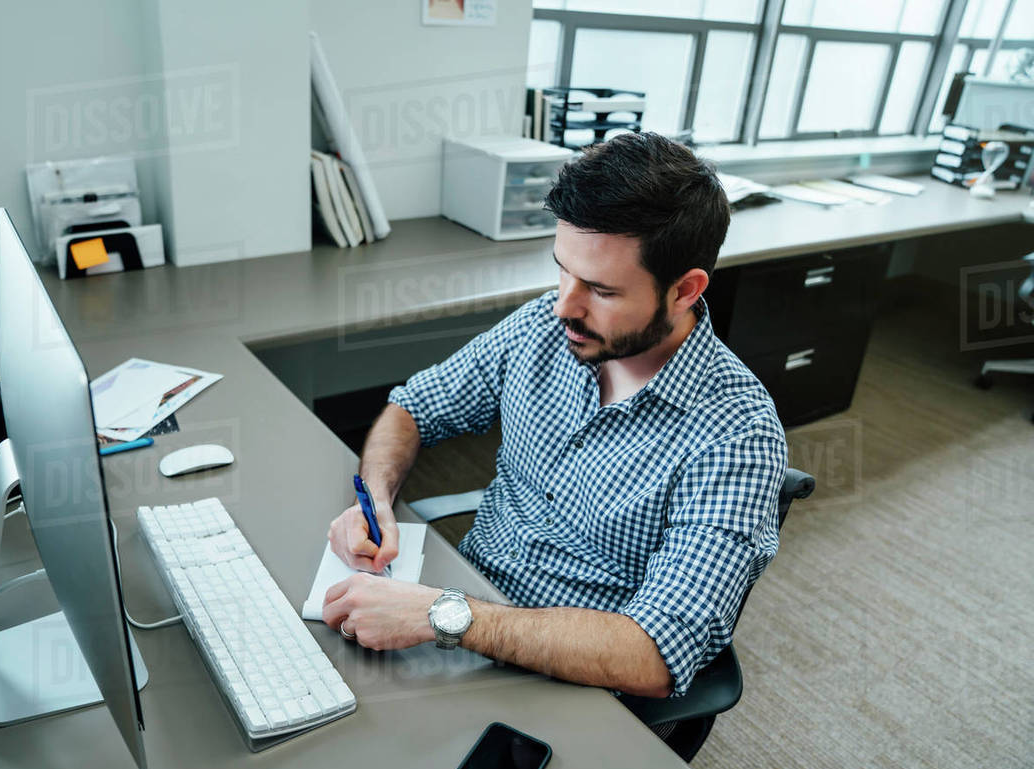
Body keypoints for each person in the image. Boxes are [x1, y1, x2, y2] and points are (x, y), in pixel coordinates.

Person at [322, 132, 787, 698]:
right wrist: (372, 502)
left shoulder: (738, 434)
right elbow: (415, 408)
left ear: (685, 290)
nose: (565, 304)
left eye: (600, 289)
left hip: (570, 676)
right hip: (457, 606)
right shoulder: (547, 323)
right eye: (562, 270)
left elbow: (656, 654)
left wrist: (446, 616)